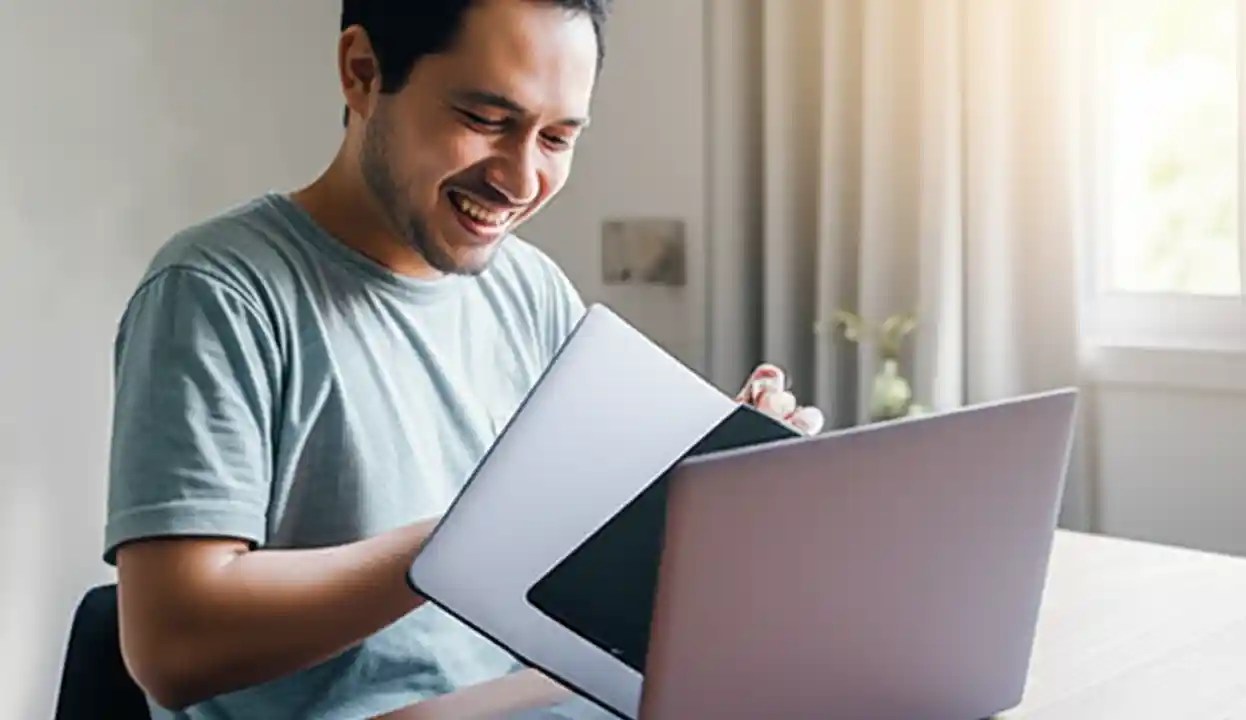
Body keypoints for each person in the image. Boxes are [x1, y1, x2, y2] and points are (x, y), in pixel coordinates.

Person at [105, 1, 824, 718]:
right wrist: (477, 536)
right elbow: (173, 647)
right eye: (485, 121)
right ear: (361, 73)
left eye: (557, 138)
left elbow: (578, 555)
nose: (519, 180)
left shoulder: (529, 287)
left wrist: (707, 483)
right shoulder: (218, 292)